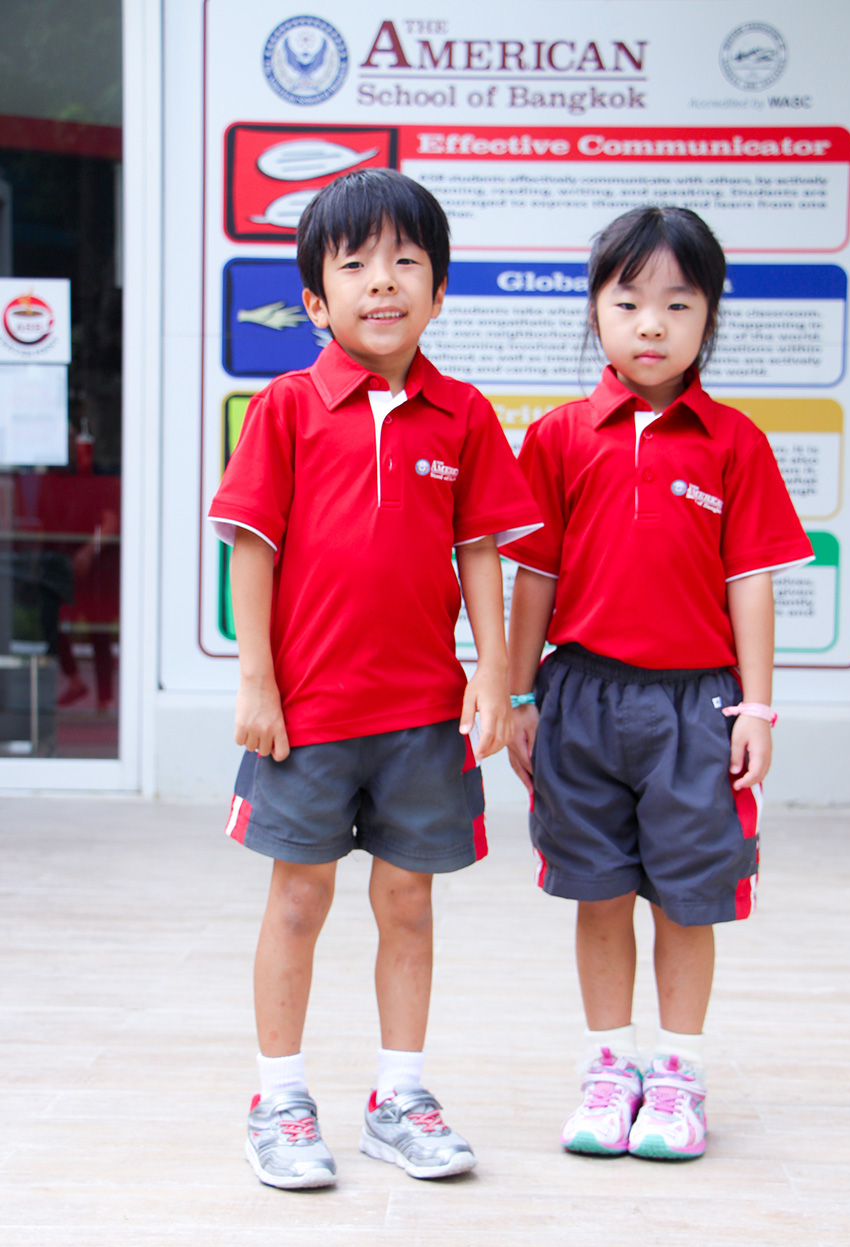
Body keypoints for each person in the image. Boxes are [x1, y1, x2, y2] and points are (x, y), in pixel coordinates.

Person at [208, 169, 540, 1189]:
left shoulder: (464, 416)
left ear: (439, 291)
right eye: (356, 265)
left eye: (407, 263)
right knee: (298, 901)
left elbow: (482, 547)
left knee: (408, 905)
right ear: (317, 298)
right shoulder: (286, 408)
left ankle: (400, 1095)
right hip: (307, 714)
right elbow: (250, 548)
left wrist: (491, 674)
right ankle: (280, 1097)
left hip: (421, 716)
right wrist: (256, 682)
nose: (383, 282)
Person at [501, 206, 813, 1161]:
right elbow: (535, 581)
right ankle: (609, 1070)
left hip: (697, 708)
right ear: (595, 311)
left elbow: (749, 582)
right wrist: (519, 698)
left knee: (687, 898)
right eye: (628, 300)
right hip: (581, 700)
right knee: (599, 893)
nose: (651, 324)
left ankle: (677, 1077)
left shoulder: (735, 442)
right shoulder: (557, 438)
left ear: (707, 317)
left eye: (678, 304)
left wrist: (756, 706)